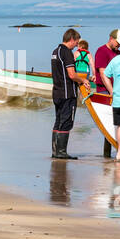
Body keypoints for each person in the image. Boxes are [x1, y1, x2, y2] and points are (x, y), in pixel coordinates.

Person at [50, 28, 86, 159]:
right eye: (76, 42)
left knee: (58, 121)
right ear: (71, 39)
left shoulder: (55, 51)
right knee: (66, 122)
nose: (76, 45)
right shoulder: (67, 53)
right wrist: (83, 80)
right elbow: (71, 74)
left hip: (57, 92)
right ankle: (62, 152)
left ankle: (55, 151)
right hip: (67, 94)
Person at [94, 29, 120, 101]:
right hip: (104, 90)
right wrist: (112, 92)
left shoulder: (119, 53)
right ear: (111, 39)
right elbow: (103, 73)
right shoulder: (102, 51)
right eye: (118, 42)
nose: (119, 45)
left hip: (117, 90)